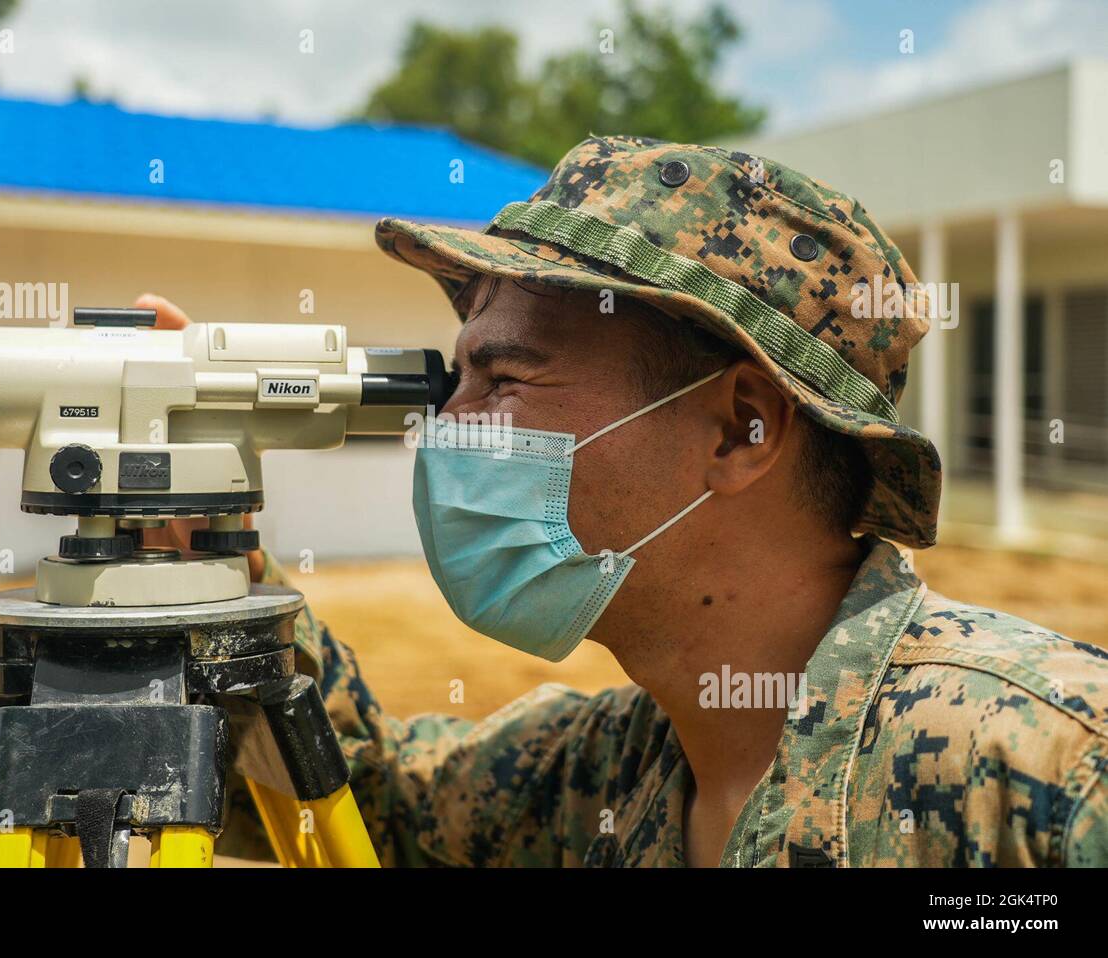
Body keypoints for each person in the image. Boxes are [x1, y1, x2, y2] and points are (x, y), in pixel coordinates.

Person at [141, 136, 1108, 867]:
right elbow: (366, 802)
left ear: (741, 431)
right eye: (455, 384)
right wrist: (212, 565)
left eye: (504, 380)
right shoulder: (599, 776)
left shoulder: (1041, 781)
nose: (450, 425)